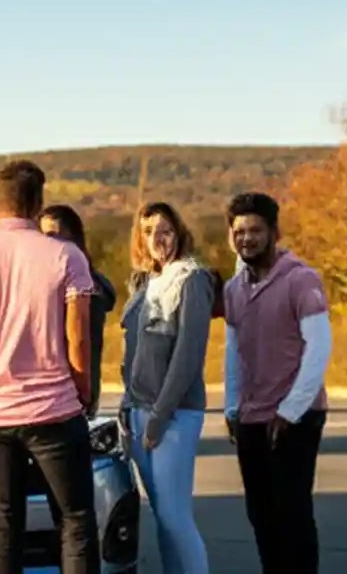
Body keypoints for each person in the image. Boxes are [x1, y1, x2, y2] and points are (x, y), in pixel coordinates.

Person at [0, 160, 99, 574]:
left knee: (3, 524)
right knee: (75, 520)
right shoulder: (66, 256)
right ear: (37, 205)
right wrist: (83, 391)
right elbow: (78, 338)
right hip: (54, 408)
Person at [223, 192, 332, 574]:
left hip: (294, 418)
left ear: (274, 232)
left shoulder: (301, 280)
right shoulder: (234, 289)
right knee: (261, 516)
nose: (246, 239)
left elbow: (319, 348)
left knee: (293, 515)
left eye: (255, 230)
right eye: (239, 232)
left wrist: (290, 410)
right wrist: (232, 406)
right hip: (251, 417)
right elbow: (234, 351)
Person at [118, 201, 213, 574]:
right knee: (161, 516)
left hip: (174, 414)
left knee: (175, 516)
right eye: (148, 232)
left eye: (166, 231)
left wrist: (160, 416)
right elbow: (133, 352)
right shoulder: (145, 284)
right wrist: (127, 407)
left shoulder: (192, 280)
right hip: (137, 410)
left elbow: (188, 355)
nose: (158, 239)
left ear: (179, 234)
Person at [39, 204, 117, 414]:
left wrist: (86, 394)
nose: (47, 243)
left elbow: (85, 344)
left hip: (72, 396)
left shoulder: (88, 290)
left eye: (53, 236)